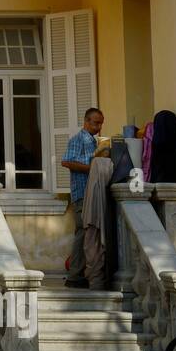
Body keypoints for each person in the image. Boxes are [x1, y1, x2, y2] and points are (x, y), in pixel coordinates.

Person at [62, 108, 104, 289]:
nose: (98, 126)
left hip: (91, 193)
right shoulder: (79, 139)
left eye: (101, 123)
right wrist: (92, 169)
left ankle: (83, 274)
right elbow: (66, 161)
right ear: (86, 122)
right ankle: (75, 276)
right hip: (81, 194)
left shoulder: (94, 142)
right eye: (95, 122)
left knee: (88, 233)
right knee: (83, 233)